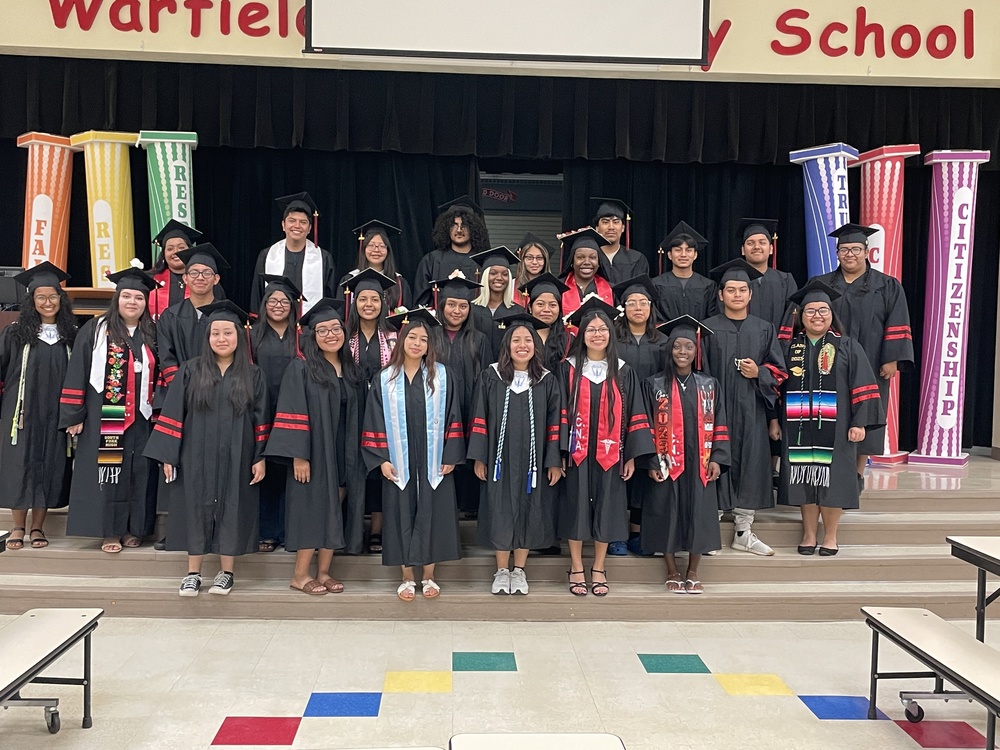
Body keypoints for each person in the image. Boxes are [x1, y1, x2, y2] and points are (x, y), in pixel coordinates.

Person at [143, 301, 270, 596]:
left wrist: (260, 457)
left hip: (238, 455)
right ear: (207, 337)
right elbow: (175, 413)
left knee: (233, 505)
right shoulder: (190, 371)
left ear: (239, 336)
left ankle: (226, 573)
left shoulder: (253, 375)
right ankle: (193, 573)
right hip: (194, 453)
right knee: (194, 506)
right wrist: (168, 455)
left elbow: (261, 420)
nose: (222, 339)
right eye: (215, 333)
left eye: (228, 332)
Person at [362, 308, 466, 600]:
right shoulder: (384, 379)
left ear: (430, 345)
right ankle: (407, 576)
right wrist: (380, 458)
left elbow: (454, 416)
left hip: (434, 460)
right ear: (401, 341)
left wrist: (451, 453)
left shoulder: (443, 376)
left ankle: (430, 576)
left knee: (433, 512)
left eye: (423, 339)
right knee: (400, 513)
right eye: (412, 337)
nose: (417, 343)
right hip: (397, 460)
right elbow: (373, 419)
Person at [266, 298, 367, 593]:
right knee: (312, 510)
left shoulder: (352, 371)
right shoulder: (302, 369)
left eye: (335, 328)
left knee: (333, 508)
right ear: (312, 336)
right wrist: (299, 455)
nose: (331, 335)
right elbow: (292, 410)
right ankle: (300, 575)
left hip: (343, 452)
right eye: (322, 331)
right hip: (313, 452)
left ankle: (323, 572)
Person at [778, 280, 884, 556]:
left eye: (823, 310)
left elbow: (863, 385)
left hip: (837, 427)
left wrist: (859, 422)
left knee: (832, 481)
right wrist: (774, 420)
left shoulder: (847, 345)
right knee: (804, 482)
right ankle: (809, 534)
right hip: (798, 426)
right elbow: (777, 387)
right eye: (810, 311)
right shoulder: (790, 349)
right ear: (801, 317)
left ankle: (831, 536)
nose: (817, 316)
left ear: (831, 315)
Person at [560, 296, 654, 597]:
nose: (597, 334)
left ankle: (598, 567)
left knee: (607, 508)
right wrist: (560, 452)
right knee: (575, 508)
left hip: (611, 454)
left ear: (611, 334)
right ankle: (576, 567)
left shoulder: (624, 371)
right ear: (582, 334)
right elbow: (558, 414)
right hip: (576, 454)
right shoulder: (568, 369)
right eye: (591, 330)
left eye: (603, 329)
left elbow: (636, 415)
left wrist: (629, 456)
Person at [61, 265, 158, 553]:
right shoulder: (96, 329)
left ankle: (134, 528)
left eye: (138, 298)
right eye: (126, 296)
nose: (132, 302)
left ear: (145, 302)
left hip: (143, 414)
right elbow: (77, 370)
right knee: (109, 471)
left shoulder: (153, 332)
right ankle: (110, 531)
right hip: (105, 414)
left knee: (139, 471)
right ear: (117, 299)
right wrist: (74, 414)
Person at [468, 314, 565, 595]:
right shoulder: (491, 376)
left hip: (533, 462)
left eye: (528, 340)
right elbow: (479, 417)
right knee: (500, 509)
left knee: (530, 509)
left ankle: (519, 571)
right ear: (507, 346)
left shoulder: (546, 380)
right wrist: (480, 456)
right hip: (500, 461)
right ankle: (501, 571)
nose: (522, 345)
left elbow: (555, 423)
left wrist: (553, 461)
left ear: (536, 345)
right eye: (516, 340)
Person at [812, 223, 913, 478]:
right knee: (831, 415)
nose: (850, 254)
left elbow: (897, 321)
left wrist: (892, 359)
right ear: (837, 253)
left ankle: (855, 476)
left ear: (866, 251)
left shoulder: (887, 285)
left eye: (856, 249)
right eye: (844, 249)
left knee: (865, 414)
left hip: (870, 363)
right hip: (829, 363)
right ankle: (830, 471)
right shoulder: (821, 284)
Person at [703, 259, 787, 556]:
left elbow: (780, 372)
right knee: (714, 462)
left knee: (751, 464)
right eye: (731, 290)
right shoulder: (707, 329)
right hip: (715, 411)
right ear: (720, 294)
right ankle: (710, 528)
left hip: (752, 409)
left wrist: (759, 373)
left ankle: (743, 531)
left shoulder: (764, 329)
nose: (737, 295)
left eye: (742, 290)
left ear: (750, 295)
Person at [640, 316, 729, 594]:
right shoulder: (654, 384)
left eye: (688, 346)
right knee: (665, 512)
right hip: (667, 461)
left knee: (699, 515)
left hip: (699, 462)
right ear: (669, 349)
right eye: (677, 346)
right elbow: (646, 424)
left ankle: (692, 570)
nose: (682, 351)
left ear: (696, 350)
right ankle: (671, 569)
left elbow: (720, 422)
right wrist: (652, 460)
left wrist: (717, 457)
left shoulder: (709, 384)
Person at [0, 263, 77, 550]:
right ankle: (17, 526)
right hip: (20, 414)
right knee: (19, 464)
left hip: (56, 413)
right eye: (41, 297)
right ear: (31, 301)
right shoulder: (16, 333)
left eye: (53, 297)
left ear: (61, 299)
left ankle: (37, 528)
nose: (48, 302)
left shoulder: (71, 334)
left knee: (50, 465)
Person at [342, 268, 400, 553]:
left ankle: (377, 531)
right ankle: (350, 531)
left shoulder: (393, 337)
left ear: (383, 304)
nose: (368, 304)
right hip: (350, 411)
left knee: (379, 467)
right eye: (363, 299)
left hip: (383, 412)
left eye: (374, 299)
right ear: (355, 303)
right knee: (352, 468)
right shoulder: (344, 336)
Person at [611, 274, 668, 557]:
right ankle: (614, 534)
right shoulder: (611, 340)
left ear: (650, 307)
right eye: (631, 303)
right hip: (616, 416)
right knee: (617, 473)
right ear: (623, 308)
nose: (637, 308)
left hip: (655, 417)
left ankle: (639, 532)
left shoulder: (663, 341)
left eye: (642, 303)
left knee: (646, 473)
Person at [430, 275, 491, 517]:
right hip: (437, 411)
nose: (457, 311)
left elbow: (487, 380)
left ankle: (469, 507)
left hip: (471, 408)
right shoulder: (430, 337)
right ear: (442, 305)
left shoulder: (480, 339)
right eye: (451, 305)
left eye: (463, 306)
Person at [250, 275, 303, 553]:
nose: (278, 305)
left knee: (290, 472)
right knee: (266, 470)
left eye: (284, 301)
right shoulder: (252, 334)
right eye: (273, 301)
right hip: (262, 410)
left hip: (294, 412)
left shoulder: (302, 335)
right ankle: (268, 531)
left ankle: (289, 530)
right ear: (264, 304)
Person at [156, 243, 229, 404]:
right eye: (194, 273)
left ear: (216, 279)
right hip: (179, 395)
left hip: (218, 395)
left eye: (206, 273)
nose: (200, 277)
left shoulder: (226, 317)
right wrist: (183, 388)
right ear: (185, 278)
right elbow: (166, 358)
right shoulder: (169, 316)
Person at [251, 192, 336, 313]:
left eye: (303, 222)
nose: (297, 226)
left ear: (310, 228)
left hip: (310, 327)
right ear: (283, 225)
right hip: (274, 325)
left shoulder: (324, 258)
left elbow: (329, 295)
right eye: (292, 220)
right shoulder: (267, 255)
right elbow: (257, 293)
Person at [413, 195, 491, 306]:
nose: (459, 230)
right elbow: (421, 303)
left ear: (474, 229)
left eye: (464, 225)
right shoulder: (431, 260)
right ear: (446, 228)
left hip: (477, 321)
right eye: (454, 225)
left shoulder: (483, 261)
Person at [148, 220, 224, 320]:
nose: (175, 252)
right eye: (170, 249)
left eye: (181, 247)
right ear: (163, 254)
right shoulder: (151, 280)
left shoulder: (208, 281)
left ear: (190, 249)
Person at [738, 218, 798, 335]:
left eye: (762, 242)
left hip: (779, 349)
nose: (756, 247)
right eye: (750, 243)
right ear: (743, 250)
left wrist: (780, 348)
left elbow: (792, 315)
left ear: (771, 249)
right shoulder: (734, 282)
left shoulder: (786, 281)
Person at [338, 220, 411, 312]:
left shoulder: (399, 282)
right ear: (363, 249)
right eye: (371, 245)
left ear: (388, 250)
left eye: (381, 246)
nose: (376, 250)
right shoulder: (349, 280)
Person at [652, 221, 717, 322]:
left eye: (688, 250)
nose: (683, 255)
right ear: (669, 255)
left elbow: (712, 318)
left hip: (698, 337)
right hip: (665, 337)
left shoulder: (708, 286)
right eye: (678, 250)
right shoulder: (656, 284)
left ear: (695, 255)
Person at [470, 245, 524, 359]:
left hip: (506, 372)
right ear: (485, 276)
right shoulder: (471, 310)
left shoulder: (518, 312)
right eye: (493, 273)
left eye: (505, 274)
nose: (499, 278)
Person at [520, 273, 573, 372]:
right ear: (530, 308)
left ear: (559, 309)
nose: (546, 310)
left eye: (552, 305)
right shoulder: (519, 338)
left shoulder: (568, 340)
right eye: (540, 304)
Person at [590, 197, 650, 284]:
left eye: (616, 222)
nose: (611, 227)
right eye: (605, 222)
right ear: (597, 228)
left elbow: (640, 290)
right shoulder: (589, 258)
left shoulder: (637, 259)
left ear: (623, 228)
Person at [559, 227, 614, 318]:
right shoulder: (559, 288)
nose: (587, 262)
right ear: (572, 261)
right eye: (580, 257)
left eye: (592, 258)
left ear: (599, 262)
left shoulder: (611, 290)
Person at [512, 234, 552, 307]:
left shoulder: (553, 287)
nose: (534, 262)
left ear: (545, 261)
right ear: (522, 260)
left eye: (539, 258)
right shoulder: (511, 286)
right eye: (529, 257)